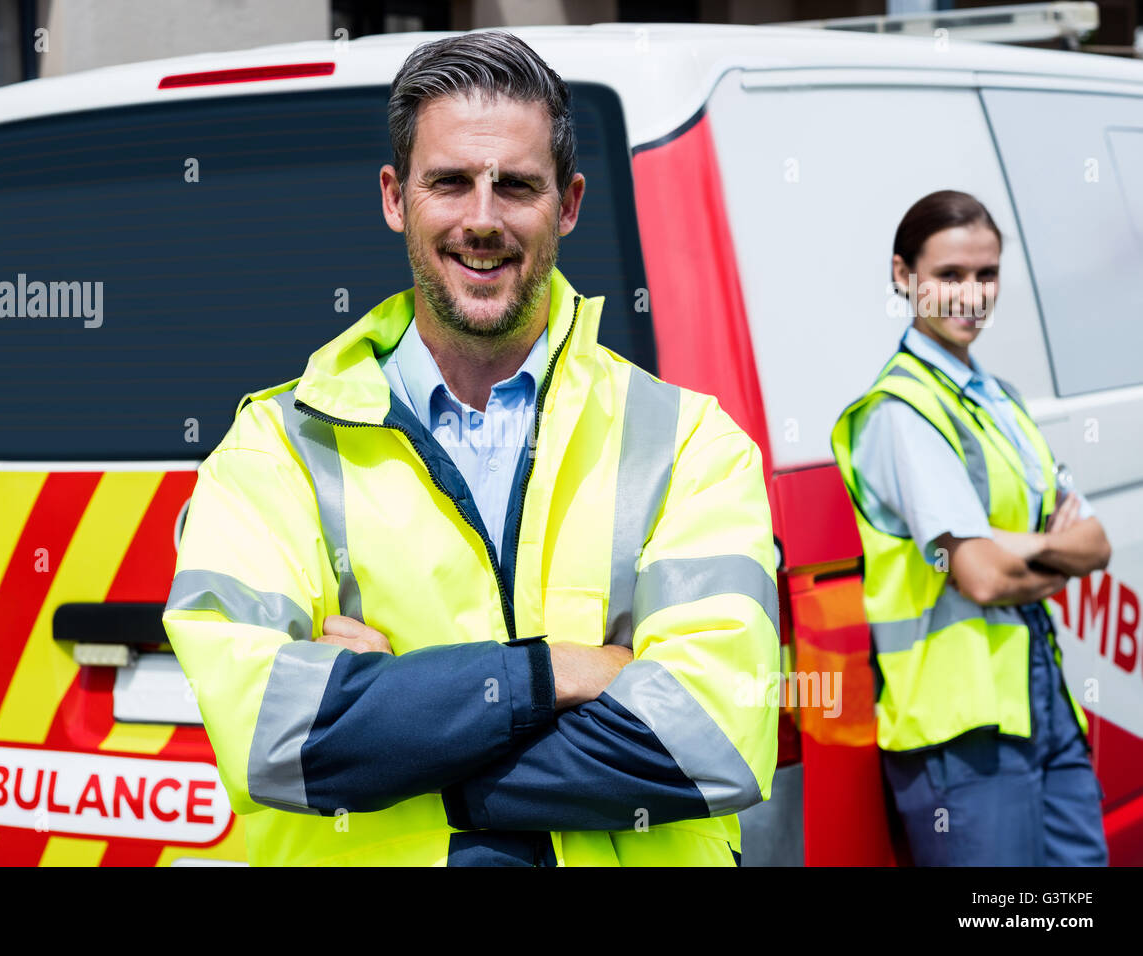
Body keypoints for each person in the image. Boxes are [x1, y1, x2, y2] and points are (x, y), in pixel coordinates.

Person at [161, 31, 779, 867]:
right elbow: (272, 737)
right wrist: (559, 671)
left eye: (516, 186)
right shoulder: (274, 448)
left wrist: (398, 728)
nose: (481, 220)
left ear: (567, 205)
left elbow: (711, 737)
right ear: (394, 197)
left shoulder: (690, 442)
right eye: (448, 183)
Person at [831, 189, 1112, 866]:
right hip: (960, 731)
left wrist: (1020, 546)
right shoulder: (900, 410)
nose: (972, 295)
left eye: (986, 275)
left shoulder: (1001, 399)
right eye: (950, 276)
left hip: (1038, 699)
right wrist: (1044, 547)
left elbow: (1096, 544)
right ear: (904, 276)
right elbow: (982, 577)